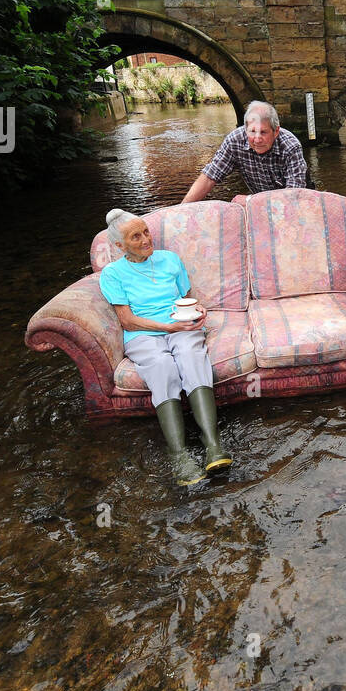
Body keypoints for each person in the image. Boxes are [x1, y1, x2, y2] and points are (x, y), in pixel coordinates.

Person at [99, 208, 233, 486]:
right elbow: (128, 321)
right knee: (162, 367)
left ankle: (212, 444)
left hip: (181, 326)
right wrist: (167, 328)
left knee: (191, 356)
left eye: (146, 231)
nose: (146, 239)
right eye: (136, 237)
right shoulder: (112, 274)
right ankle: (180, 455)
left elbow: (186, 297)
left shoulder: (170, 260)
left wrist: (197, 310)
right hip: (143, 334)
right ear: (119, 246)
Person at [181, 100, 308, 203]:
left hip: (296, 205)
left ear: (276, 132)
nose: (257, 139)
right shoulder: (235, 141)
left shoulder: (290, 146)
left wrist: (249, 200)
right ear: (245, 128)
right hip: (260, 204)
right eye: (252, 131)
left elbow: (293, 196)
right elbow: (210, 176)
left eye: (263, 132)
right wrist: (182, 209)